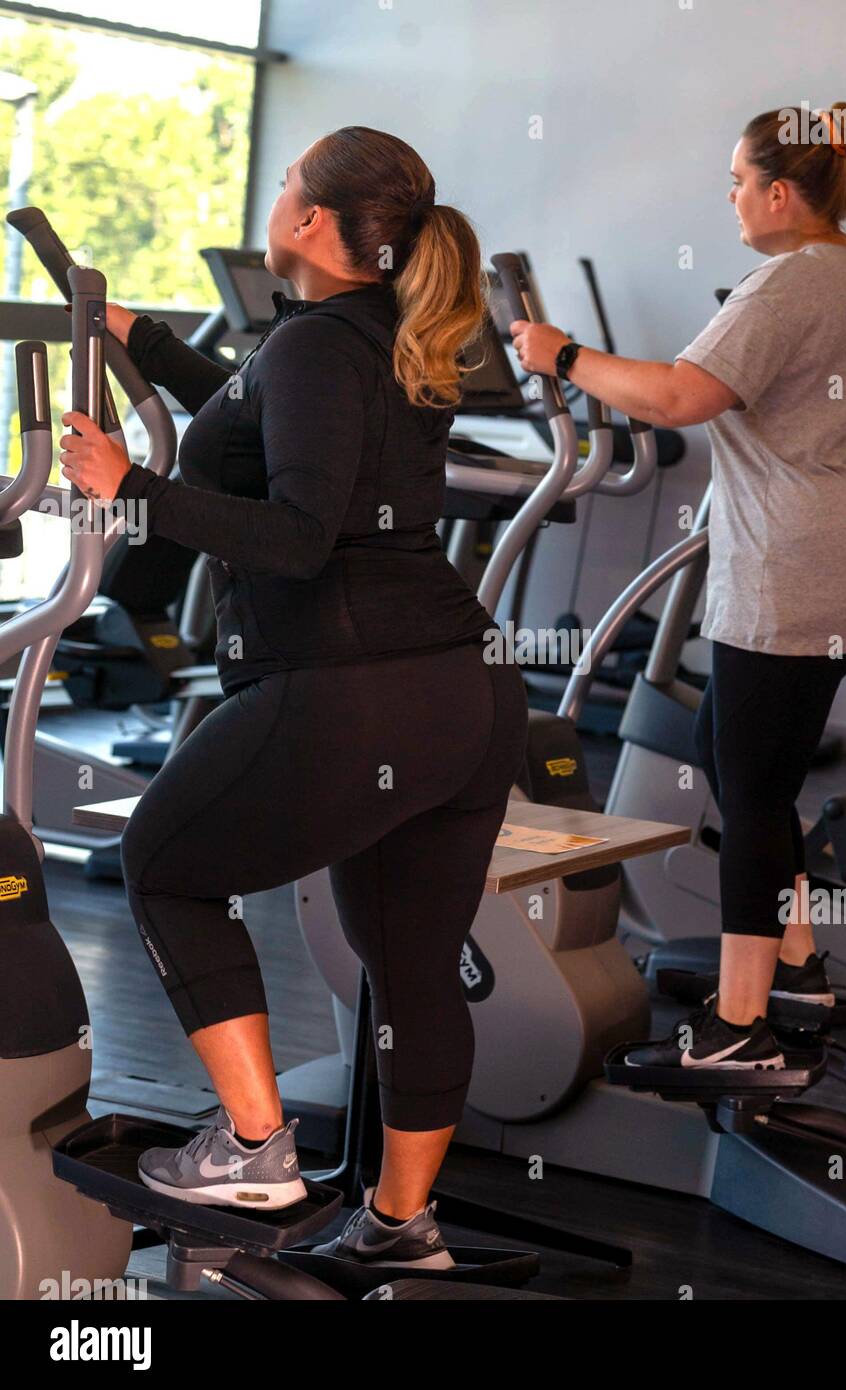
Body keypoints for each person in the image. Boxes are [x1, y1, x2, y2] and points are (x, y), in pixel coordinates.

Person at [57, 126, 528, 1269]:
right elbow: (263, 409)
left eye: (284, 185)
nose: (275, 199)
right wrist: (145, 341)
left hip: (348, 690)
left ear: (313, 222)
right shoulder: (378, 335)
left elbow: (300, 533)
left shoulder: (320, 346)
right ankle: (401, 1229)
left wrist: (137, 490)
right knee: (409, 963)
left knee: (165, 862)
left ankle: (257, 1150)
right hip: (462, 698)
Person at [509, 103, 846, 1072]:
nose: (732, 195)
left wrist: (561, 356)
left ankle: (738, 1029)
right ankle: (794, 967)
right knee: (734, 753)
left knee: (748, 790)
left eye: (738, 179)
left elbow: (676, 398)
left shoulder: (784, 284)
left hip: (793, 571)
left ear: (781, 193)